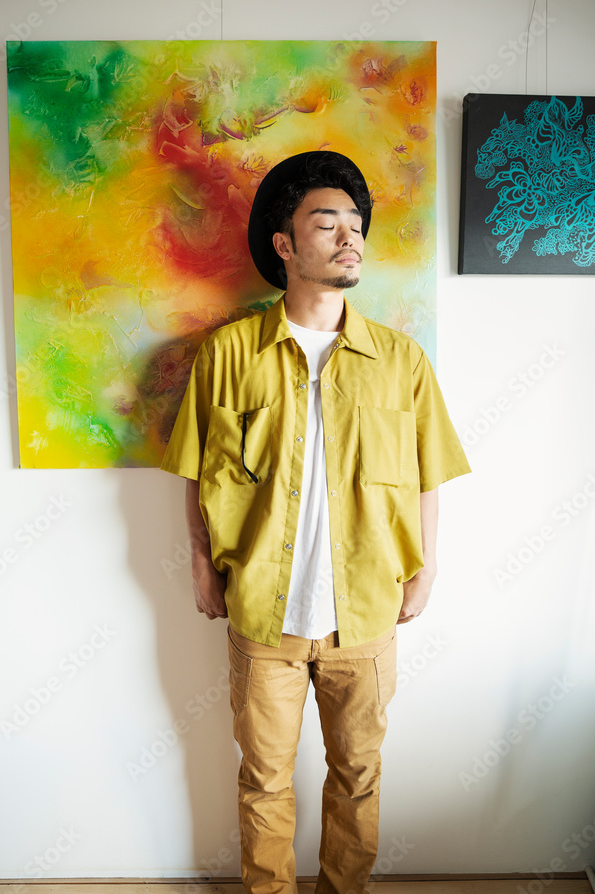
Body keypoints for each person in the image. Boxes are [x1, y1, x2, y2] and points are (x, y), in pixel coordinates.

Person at [161, 150, 470, 894]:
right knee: (263, 779)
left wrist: (425, 569)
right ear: (284, 243)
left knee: (357, 777)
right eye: (325, 223)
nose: (348, 238)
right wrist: (201, 567)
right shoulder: (229, 354)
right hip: (262, 617)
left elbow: (429, 477)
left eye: (355, 226)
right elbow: (200, 474)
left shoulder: (401, 361)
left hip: (366, 614)